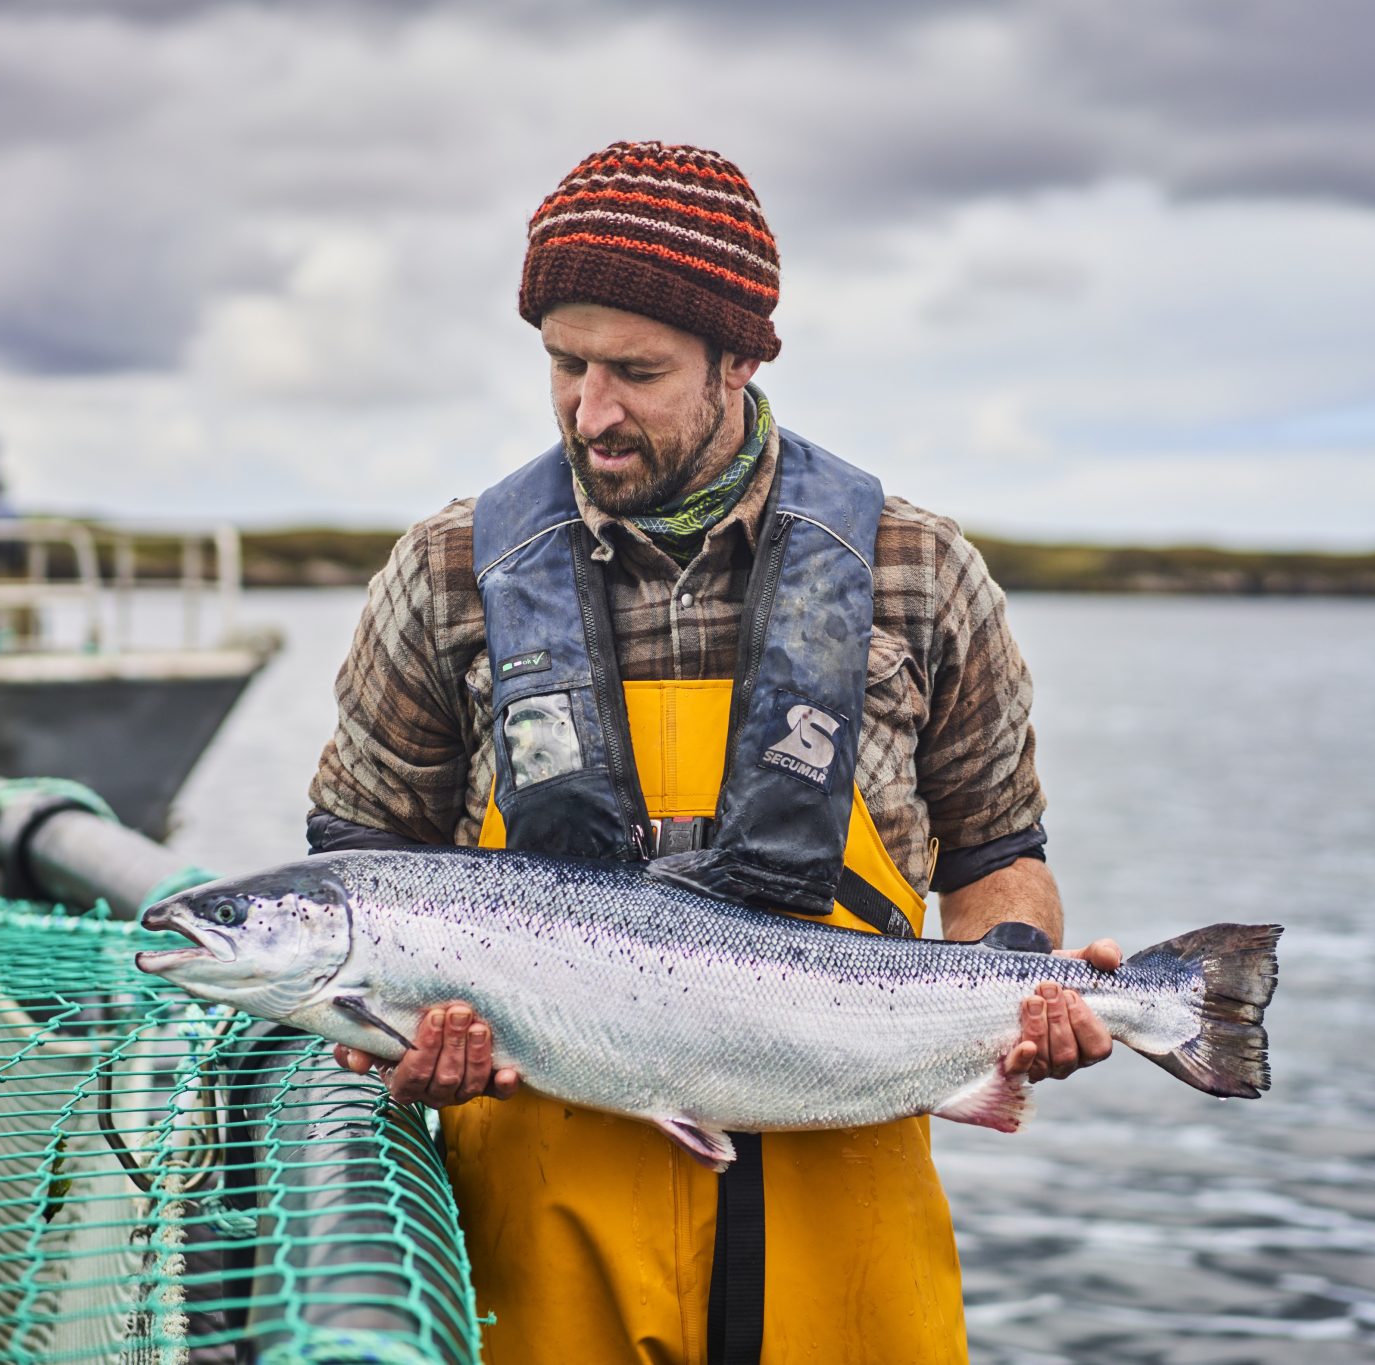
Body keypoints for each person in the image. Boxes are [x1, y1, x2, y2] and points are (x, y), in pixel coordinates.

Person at [306, 140, 1121, 1365]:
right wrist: (393, 1048)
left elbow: (1000, 855)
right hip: (536, 1231)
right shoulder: (443, 574)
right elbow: (357, 872)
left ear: (740, 359)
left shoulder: (919, 570)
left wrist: (1017, 988)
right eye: (563, 363)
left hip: (847, 1228)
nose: (591, 411)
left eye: (635, 371)